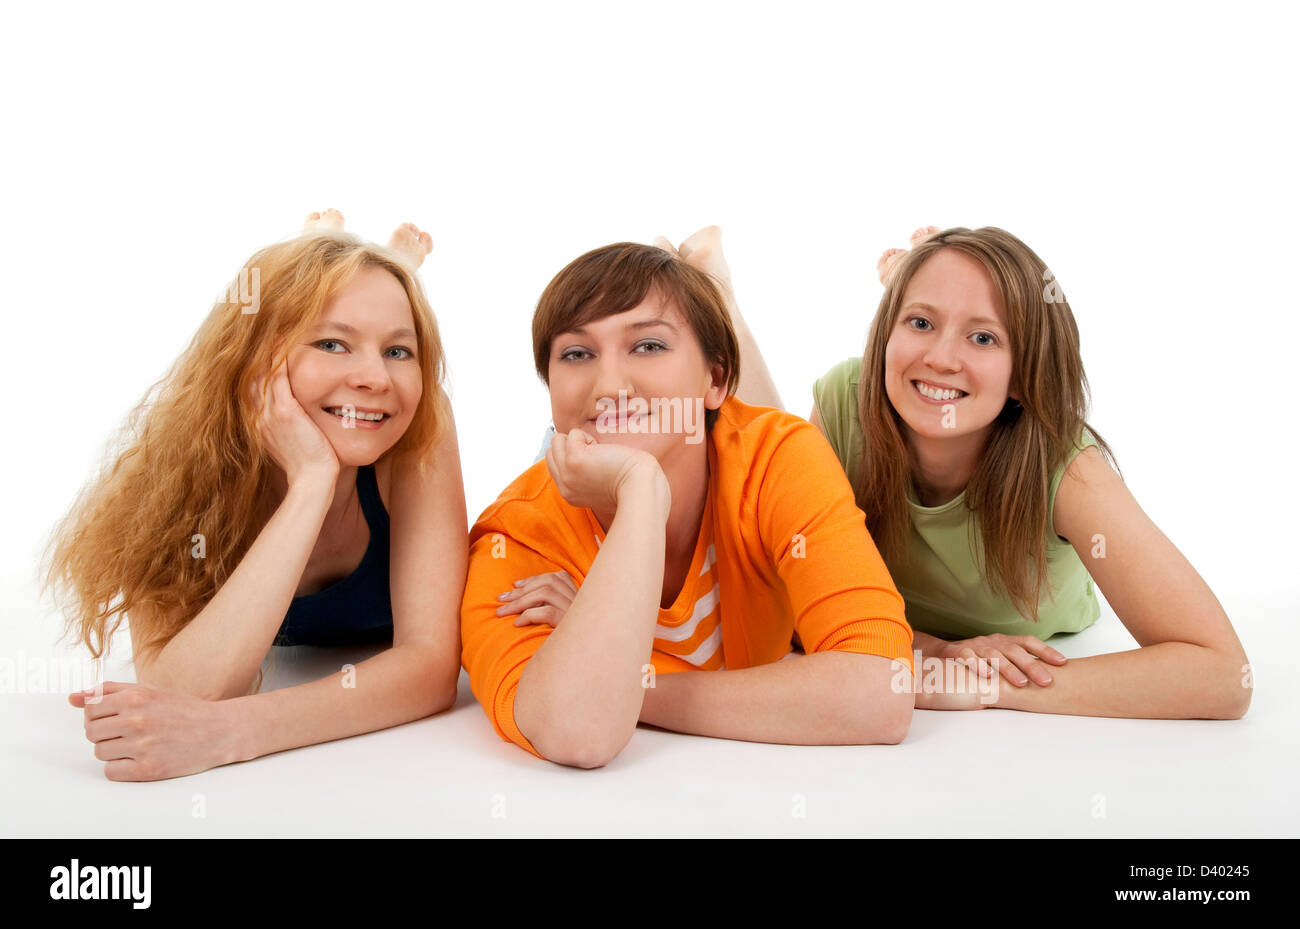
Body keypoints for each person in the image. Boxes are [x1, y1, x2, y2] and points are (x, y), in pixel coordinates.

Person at [710, 223, 1251, 718]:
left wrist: (986, 684)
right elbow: (787, 603)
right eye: (920, 322)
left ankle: (915, 281)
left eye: (984, 337)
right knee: (763, 453)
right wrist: (940, 653)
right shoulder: (846, 400)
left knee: (778, 451)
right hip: (894, 609)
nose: (942, 359)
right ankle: (722, 297)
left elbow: (1223, 675)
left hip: (1048, 621)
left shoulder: (1067, 467)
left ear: (1024, 375)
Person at [44, 210, 468, 780]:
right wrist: (312, 482)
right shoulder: (183, 459)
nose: (377, 379)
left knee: (372, 307)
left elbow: (431, 668)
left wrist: (232, 733)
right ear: (255, 362)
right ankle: (347, 257)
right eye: (331, 343)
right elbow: (183, 690)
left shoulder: (419, 425)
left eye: (399, 351)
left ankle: (376, 264)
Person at [459, 240, 915, 768]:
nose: (609, 386)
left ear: (716, 380)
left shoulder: (778, 457)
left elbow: (879, 690)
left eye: (649, 346)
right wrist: (639, 488)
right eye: (577, 354)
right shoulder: (514, 535)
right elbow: (577, 731)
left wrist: (623, 679)